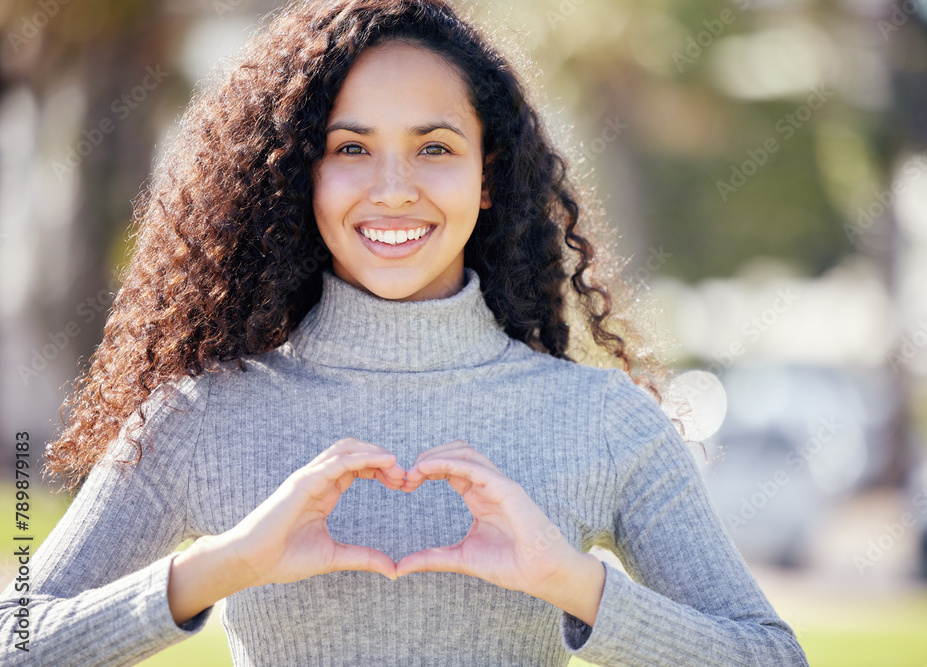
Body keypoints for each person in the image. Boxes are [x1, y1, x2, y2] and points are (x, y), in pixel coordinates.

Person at [1, 0, 810, 664]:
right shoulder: (199, 417)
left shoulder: (603, 420)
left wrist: (573, 582)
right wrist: (223, 566)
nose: (393, 189)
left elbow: (771, 657)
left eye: (434, 147)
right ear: (298, 174)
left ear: (487, 178)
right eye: (350, 147)